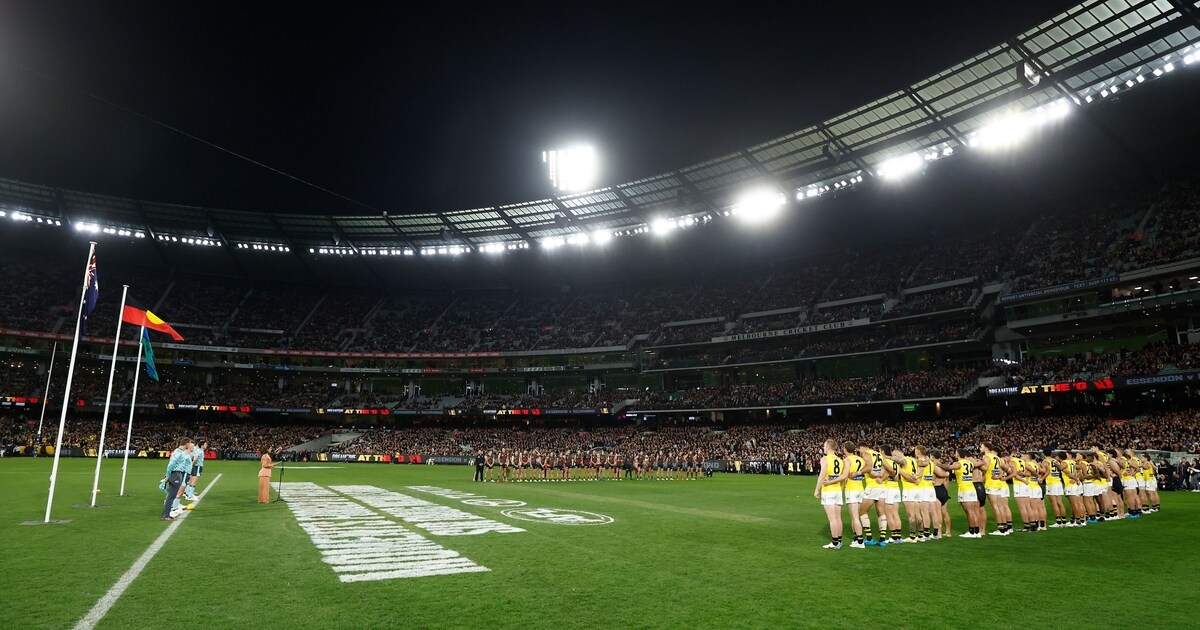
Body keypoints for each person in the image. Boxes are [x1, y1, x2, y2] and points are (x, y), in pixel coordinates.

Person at [814, 440, 848, 549]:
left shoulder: (824, 459)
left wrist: (817, 489)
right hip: (838, 490)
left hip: (828, 491)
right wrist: (840, 488)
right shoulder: (840, 460)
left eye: (824, 445)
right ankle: (839, 540)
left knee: (832, 519)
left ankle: (834, 543)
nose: (823, 447)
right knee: (838, 518)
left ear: (828, 447)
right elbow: (843, 477)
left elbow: (822, 475)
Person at [161, 438, 194, 521]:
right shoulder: (178, 452)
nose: (190, 445)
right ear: (186, 444)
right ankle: (165, 515)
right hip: (175, 474)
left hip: (177, 474)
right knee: (171, 496)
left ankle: (166, 514)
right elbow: (171, 464)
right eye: (189, 444)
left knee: (171, 495)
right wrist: (167, 475)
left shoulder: (180, 452)